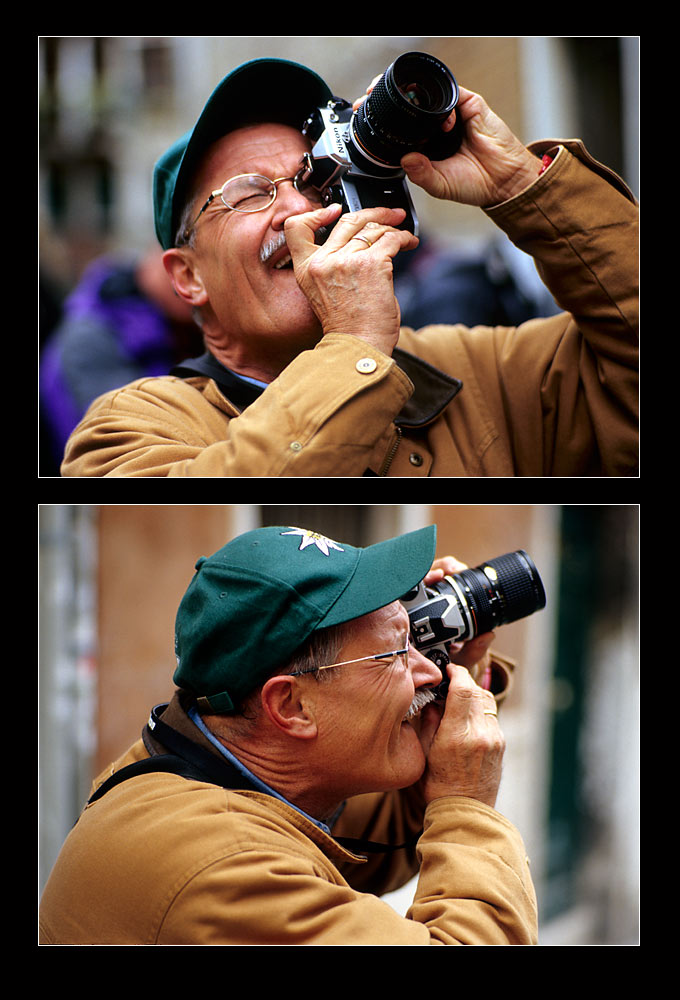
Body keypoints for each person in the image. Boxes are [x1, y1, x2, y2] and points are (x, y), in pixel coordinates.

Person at [60, 57, 638, 477]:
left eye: (317, 178)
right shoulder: (128, 429)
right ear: (187, 276)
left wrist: (522, 185)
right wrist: (356, 347)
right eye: (249, 192)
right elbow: (259, 540)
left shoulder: (476, 370)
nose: (297, 207)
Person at [39, 523, 538, 946]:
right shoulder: (222, 867)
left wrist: (464, 673)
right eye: (395, 653)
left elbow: (369, 840)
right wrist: (467, 805)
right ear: (291, 705)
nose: (428, 671)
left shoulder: (202, 763)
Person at [40, 249, 202, 473]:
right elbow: (119, 444)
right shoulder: (94, 335)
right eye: (185, 271)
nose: (193, 286)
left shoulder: (177, 328)